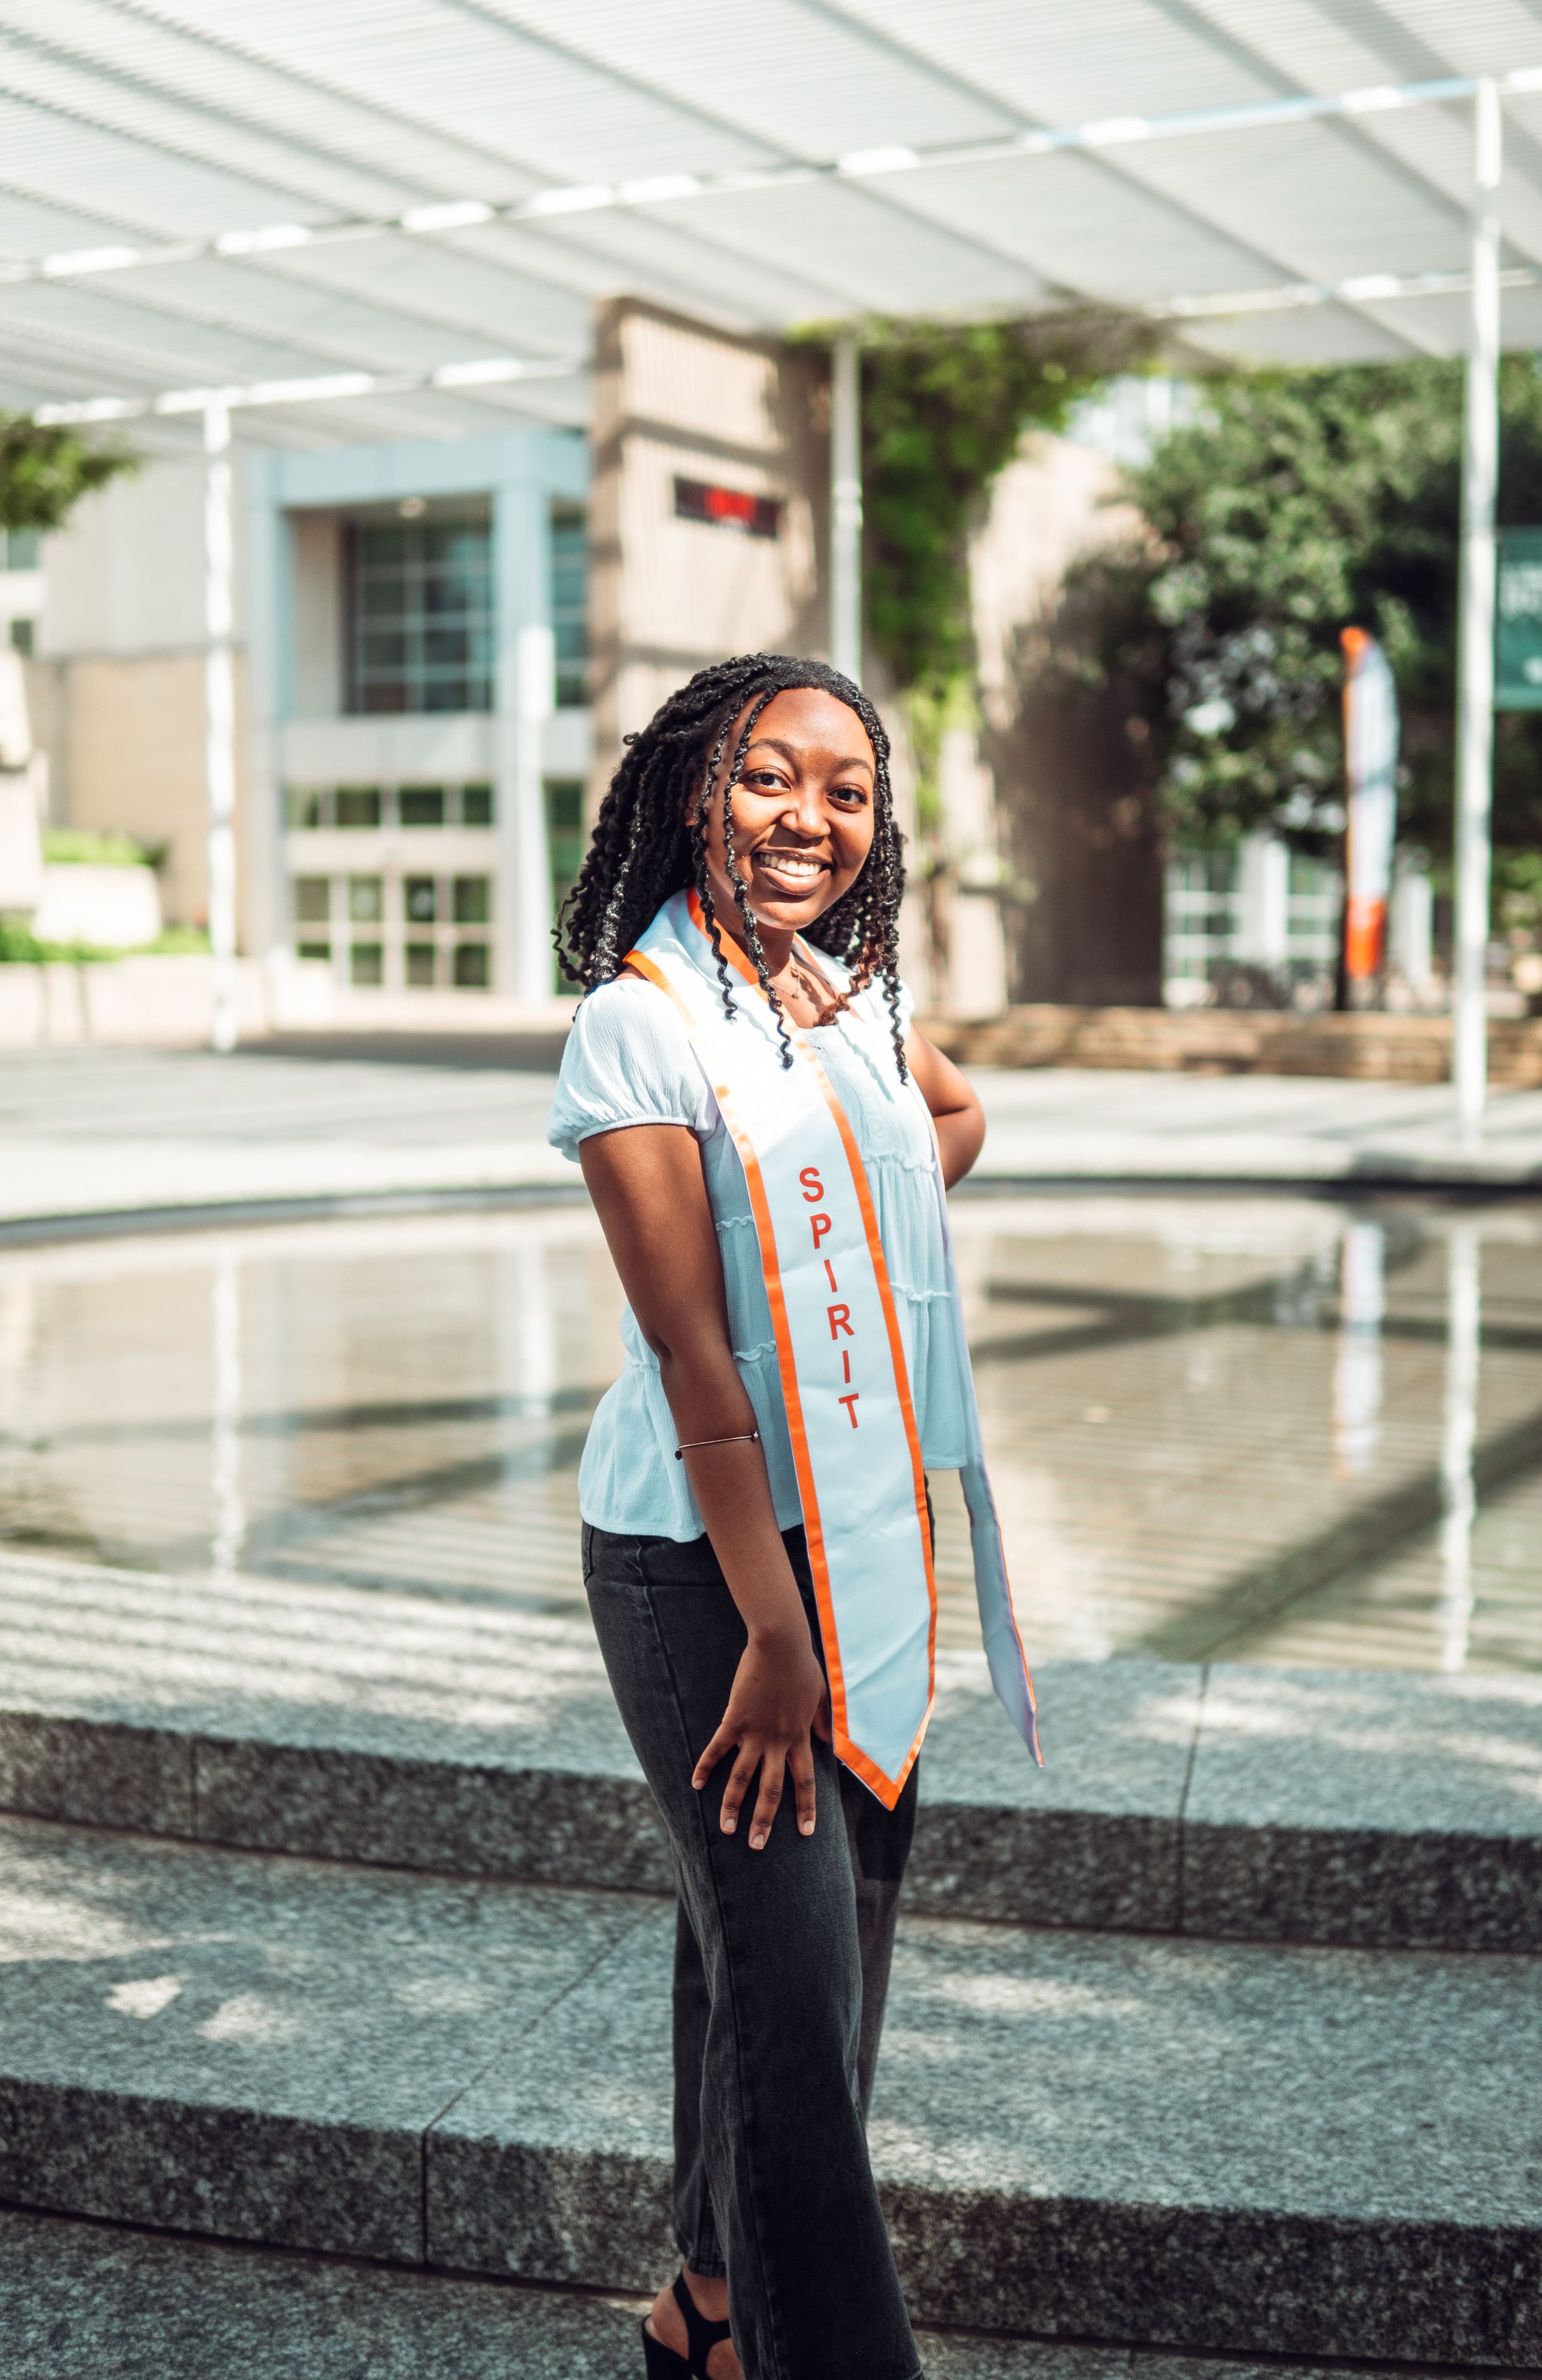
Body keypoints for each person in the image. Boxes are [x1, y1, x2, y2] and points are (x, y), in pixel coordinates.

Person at [548, 653, 1036, 2380]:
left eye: (843, 789)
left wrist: (860, 1091)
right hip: (704, 1569)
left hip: (853, 1545)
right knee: (796, 1998)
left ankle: (707, 2302)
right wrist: (769, 1634)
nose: (807, 817)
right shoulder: (640, 1022)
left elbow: (948, 1119)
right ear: (694, 785)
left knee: (789, 1963)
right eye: (769, 776)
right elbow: (693, 1357)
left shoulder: (836, 1003)